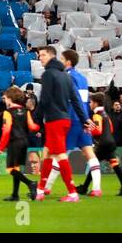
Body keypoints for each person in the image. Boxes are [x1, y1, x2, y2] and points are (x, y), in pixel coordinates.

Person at [34, 45, 86, 202]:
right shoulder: (66, 75)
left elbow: (45, 99)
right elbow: (76, 100)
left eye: (42, 55)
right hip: (65, 119)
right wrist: (84, 119)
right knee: (47, 154)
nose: (40, 58)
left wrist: (36, 120)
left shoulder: (48, 74)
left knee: (60, 155)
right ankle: (40, 190)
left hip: (54, 120)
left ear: (51, 56)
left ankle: (72, 192)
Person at [59, 50, 97, 196]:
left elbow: (72, 100)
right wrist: (86, 119)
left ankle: (45, 187)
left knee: (60, 152)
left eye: (62, 59)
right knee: (89, 152)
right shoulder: (82, 78)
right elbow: (84, 101)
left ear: (68, 61)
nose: (60, 61)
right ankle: (97, 188)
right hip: (83, 118)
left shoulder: (68, 77)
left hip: (71, 119)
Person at [81, 93, 122, 197]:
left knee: (94, 163)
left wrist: (87, 129)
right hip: (110, 142)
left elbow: (98, 130)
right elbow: (111, 128)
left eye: (91, 102)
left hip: (103, 144)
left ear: (95, 103)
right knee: (114, 164)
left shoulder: (96, 114)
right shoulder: (105, 114)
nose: (90, 104)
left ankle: (84, 188)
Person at [0, 86, 39, 202]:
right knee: (16, 168)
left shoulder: (8, 112)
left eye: (5, 98)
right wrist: (40, 127)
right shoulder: (26, 111)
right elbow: (32, 126)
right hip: (24, 142)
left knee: (10, 169)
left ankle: (31, 183)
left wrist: (1, 146)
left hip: (14, 142)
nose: (5, 100)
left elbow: (6, 130)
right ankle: (15, 194)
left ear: (10, 99)